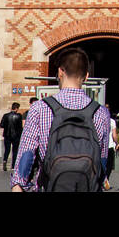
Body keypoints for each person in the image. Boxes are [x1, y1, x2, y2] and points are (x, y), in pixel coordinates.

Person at [11, 48, 109, 192]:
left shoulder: (40, 108)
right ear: (86, 76)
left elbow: (26, 156)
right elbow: (102, 161)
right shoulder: (100, 112)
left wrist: (19, 184)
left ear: (60, 72)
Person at [0, 102, 24, 171]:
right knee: (15, 151)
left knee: (7, 150)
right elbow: (20, 127)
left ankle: (5, 160)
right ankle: (13, 166)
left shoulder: (5, 115)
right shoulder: (19, 116)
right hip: (16, 136)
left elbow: (1, 125)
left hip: (7, 135)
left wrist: (6, 126)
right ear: (16, 108)